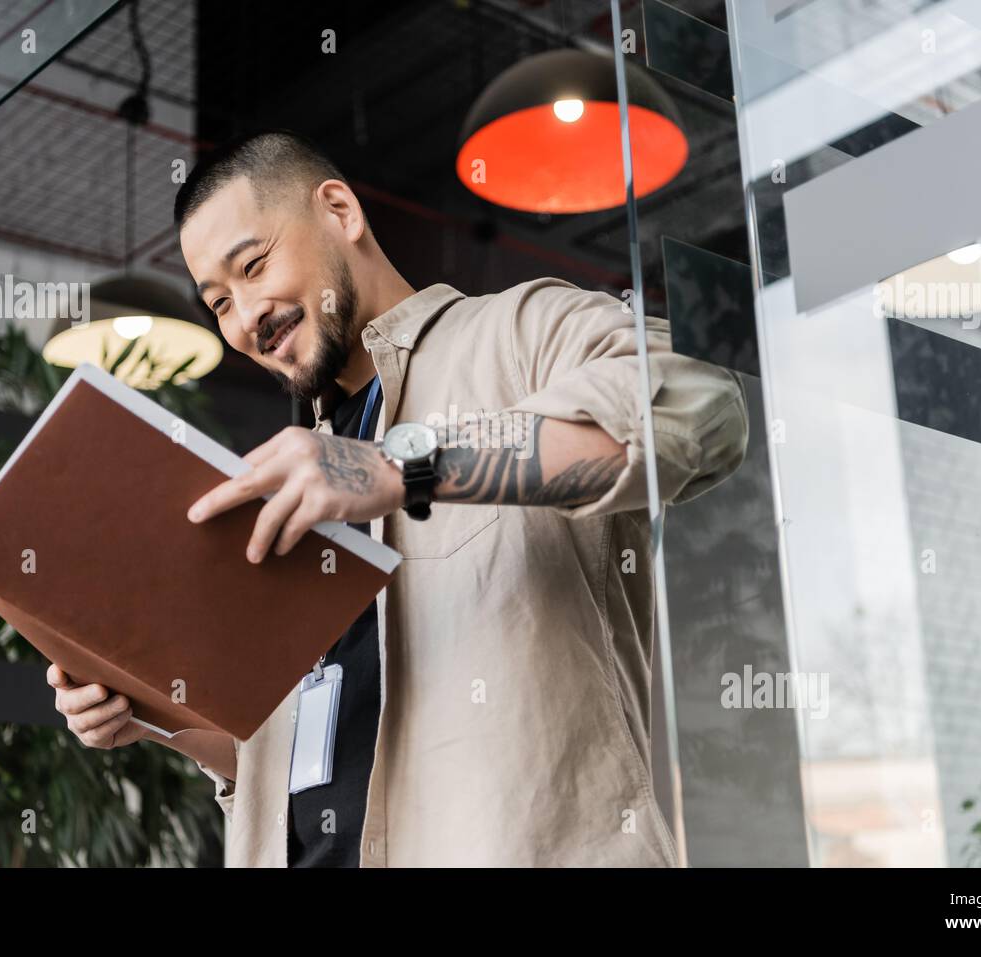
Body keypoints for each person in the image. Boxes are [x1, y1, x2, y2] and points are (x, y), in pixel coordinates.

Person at [48, 128, 748, 867]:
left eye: (253, 266)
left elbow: (697, 407)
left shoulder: (517, 334)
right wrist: (152, 718)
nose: (246, 316)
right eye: (219, 301)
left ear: (340, 211)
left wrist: (402, 468)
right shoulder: (293, 478)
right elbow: (306, 754)